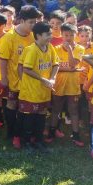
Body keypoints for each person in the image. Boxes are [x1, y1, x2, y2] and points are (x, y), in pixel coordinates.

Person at [1, 7, 39, 148]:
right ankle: (11, 132)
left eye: (35, 22)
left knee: (25, 108)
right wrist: (4, 77)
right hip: (13, 79)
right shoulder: (9, 37)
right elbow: (3, 59)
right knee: (11, 104)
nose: (33, 25)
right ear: (22, 21)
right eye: (31, 22)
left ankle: (24, 133)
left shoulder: (34, 36)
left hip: (29, 81)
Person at [18, 22, 59, 151]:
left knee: (41, 116)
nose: (50, 36)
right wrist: (44, 79)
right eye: (48, 34)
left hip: (43, 92)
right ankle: (26, 142)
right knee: (29, 117)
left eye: (50, 34)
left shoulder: (50, 47)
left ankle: (39, 140)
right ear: (38, 35)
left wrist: (51, 79)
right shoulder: (31, 50)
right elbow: (27, 69)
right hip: (30, 92)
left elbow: (56, 64)